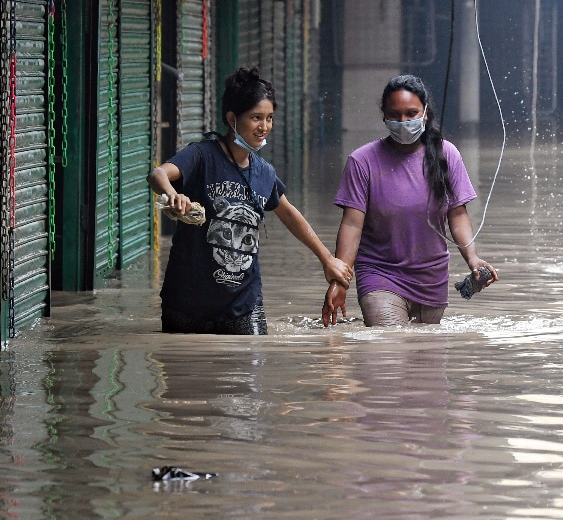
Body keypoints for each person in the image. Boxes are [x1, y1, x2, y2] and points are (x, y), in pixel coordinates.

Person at [149, 66, 352, 334]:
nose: (264, 127)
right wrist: (174, 195)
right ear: (232, 118)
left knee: (248, 369)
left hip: (242, 305)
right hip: (186, 302)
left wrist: (327, 259)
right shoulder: (202, 156)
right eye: (256, 118)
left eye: (269, 118)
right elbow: (158, 174)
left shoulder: (264, 172)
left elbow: (290, 215)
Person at [321, 74, 497, 327]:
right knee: (389, 351)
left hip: (431, 280)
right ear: (384, 116)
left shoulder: (446, 155)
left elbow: (457, 214)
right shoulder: (362, 161)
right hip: (379, 274)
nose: (403, 121)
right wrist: (340, 281)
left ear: (425, 114)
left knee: (425, 361)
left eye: (411, 114)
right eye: (395, 115)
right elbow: (351, 225)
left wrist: (473, 259)